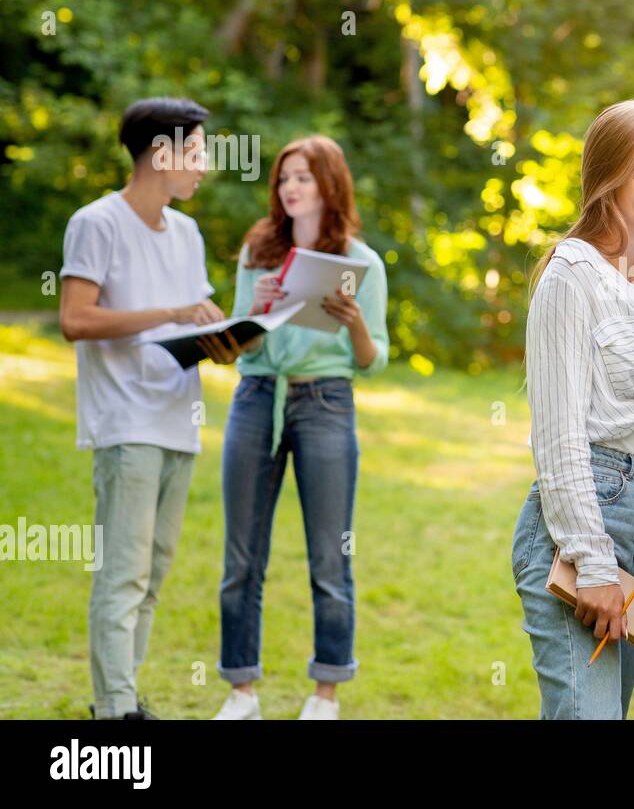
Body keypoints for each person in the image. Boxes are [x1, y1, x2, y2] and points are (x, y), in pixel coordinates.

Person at [512, 101, 634, 719]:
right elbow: (560, 439)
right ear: (608, 180)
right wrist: (594, 565)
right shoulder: (572, 275)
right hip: (579, 537)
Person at [60, 97, 247, 719]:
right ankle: (114, 711)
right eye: (196, 153)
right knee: (123, 575)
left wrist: (226, 343)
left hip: (178, 423)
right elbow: (75, 319)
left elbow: (193, 323)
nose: (203, 166)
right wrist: (171, 313)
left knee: (153, 573)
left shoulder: (187, 234)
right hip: (125, 423)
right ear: (160, 153)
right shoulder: (97, 223)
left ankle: (125, 698)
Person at [211, 135, 388, 721]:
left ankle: (325, 693)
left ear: (330, 185)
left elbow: (372, 360)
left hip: (326, 403)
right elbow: (239, 348)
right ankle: (241, 691)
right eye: (284, 178)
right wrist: (256, 313)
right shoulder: (257, 251)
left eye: (303, 177)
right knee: (241, 557)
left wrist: (354, 322)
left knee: (330, 558)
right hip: (257, 398)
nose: (290, 187)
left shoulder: (362, 263)